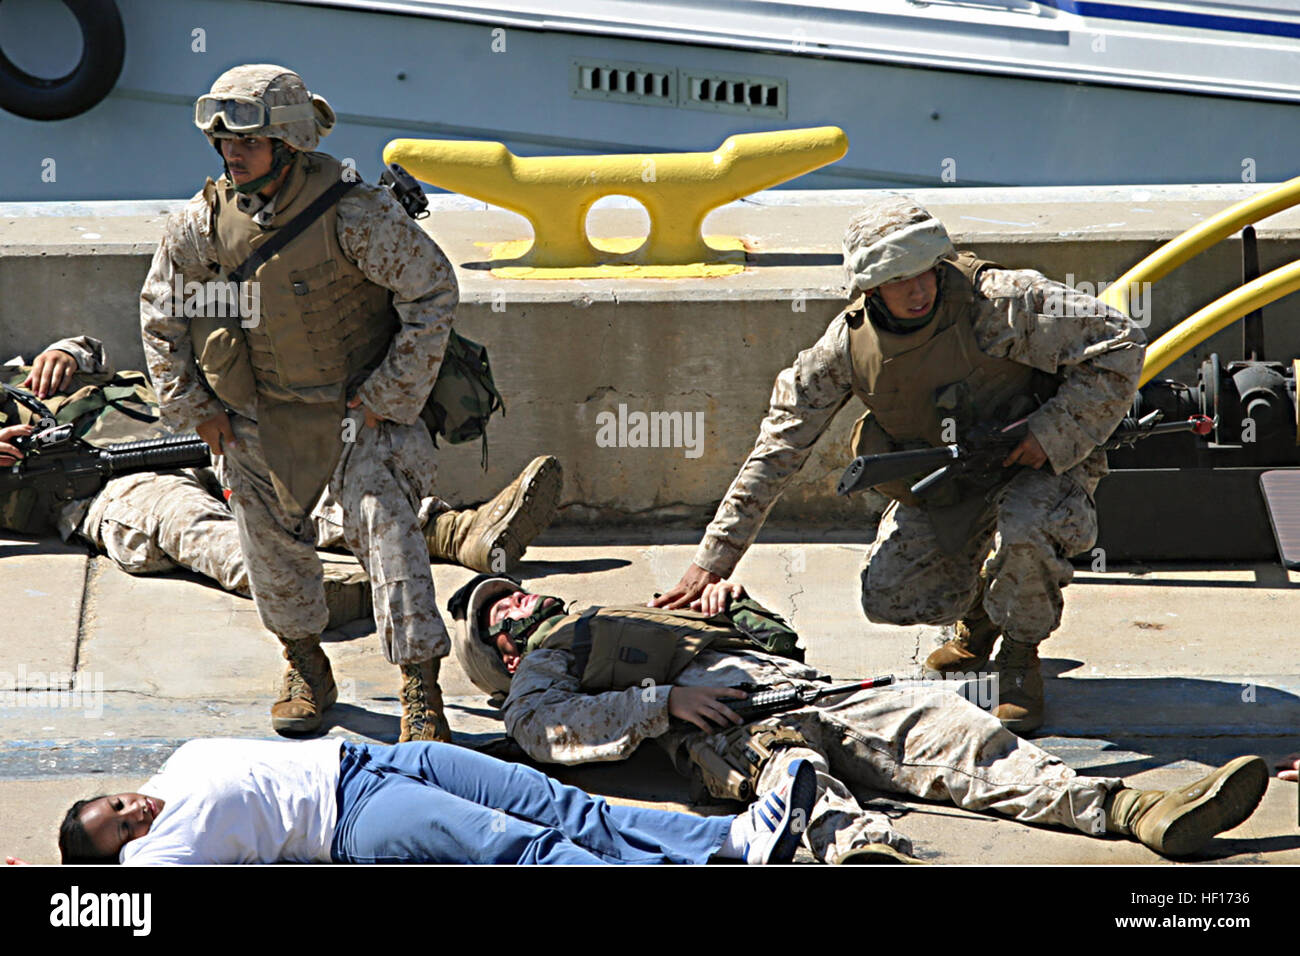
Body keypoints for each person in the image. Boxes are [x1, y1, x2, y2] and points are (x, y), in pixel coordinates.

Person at [651, 194, 1147, 733]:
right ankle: (982, 616)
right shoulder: (847, 348)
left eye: (925, 272)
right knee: (890, 596)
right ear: (870, 289)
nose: (918, 290)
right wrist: (714, 561)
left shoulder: (1001, 302)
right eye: (898, 280)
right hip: (955, 476)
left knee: (1026, 533)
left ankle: (1019, 658)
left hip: (1041, 460)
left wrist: (1050, 432)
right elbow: (779, 447)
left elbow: (1119, 340)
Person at [140, 64, 512, 742]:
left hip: (356, 411)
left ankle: (419, 687)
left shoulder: (355, 213)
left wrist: (385, 396)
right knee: (269, 548)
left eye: (247, 142)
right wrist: (197, 410)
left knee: (388, 530)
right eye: (224, 142)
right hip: (259, 416)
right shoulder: (203, 223)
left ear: (287, 144)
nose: (231, 154)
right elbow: (161, 315)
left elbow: (432, 291)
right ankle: (305, 665)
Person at [450, 574, 1268, 864]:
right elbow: (543, 730)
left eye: (510, 590)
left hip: (809, 687)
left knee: (951, 724)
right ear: (504, 656)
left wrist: (736, 608)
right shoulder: (544, 664)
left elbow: (782, 645)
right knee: (795, 776)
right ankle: (865, 855)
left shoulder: (631, 611)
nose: (516, 599)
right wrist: (662, 703)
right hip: (727, 728)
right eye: (499, 612)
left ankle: (1131, 809)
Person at [1, 337, 563, 630]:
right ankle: (305, 594)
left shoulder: (13, 377)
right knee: (189, 522)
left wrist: (65, 352)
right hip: (103, 485)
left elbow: (92, 349)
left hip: (180, 432)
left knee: (300, 483)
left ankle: (460, 533)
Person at [54, 737, 816, 866]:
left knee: (561, 804)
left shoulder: (176, 767)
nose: (132, 813)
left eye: (115, 804)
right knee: (520, 847)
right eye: (120, 830)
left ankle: (732, 840)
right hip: (353, 820)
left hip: (378, 758)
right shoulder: (161, 858)